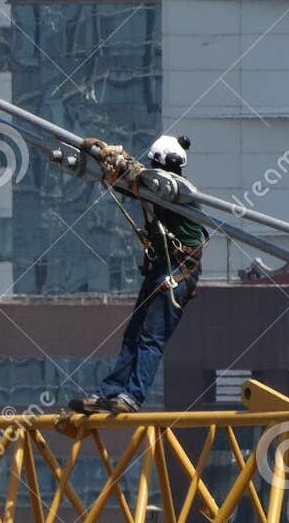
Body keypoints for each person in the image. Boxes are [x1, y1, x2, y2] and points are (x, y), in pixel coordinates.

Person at [73, 135, 207, 415]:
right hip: (163, 267)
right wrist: (97, 158)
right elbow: (125, 183)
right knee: (134, 334)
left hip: (178, 270)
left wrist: (121, 160)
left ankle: (132, 397)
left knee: (151, 337)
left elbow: (151, 179)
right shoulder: (151, 188)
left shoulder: (179, 187)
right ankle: (109, 392)